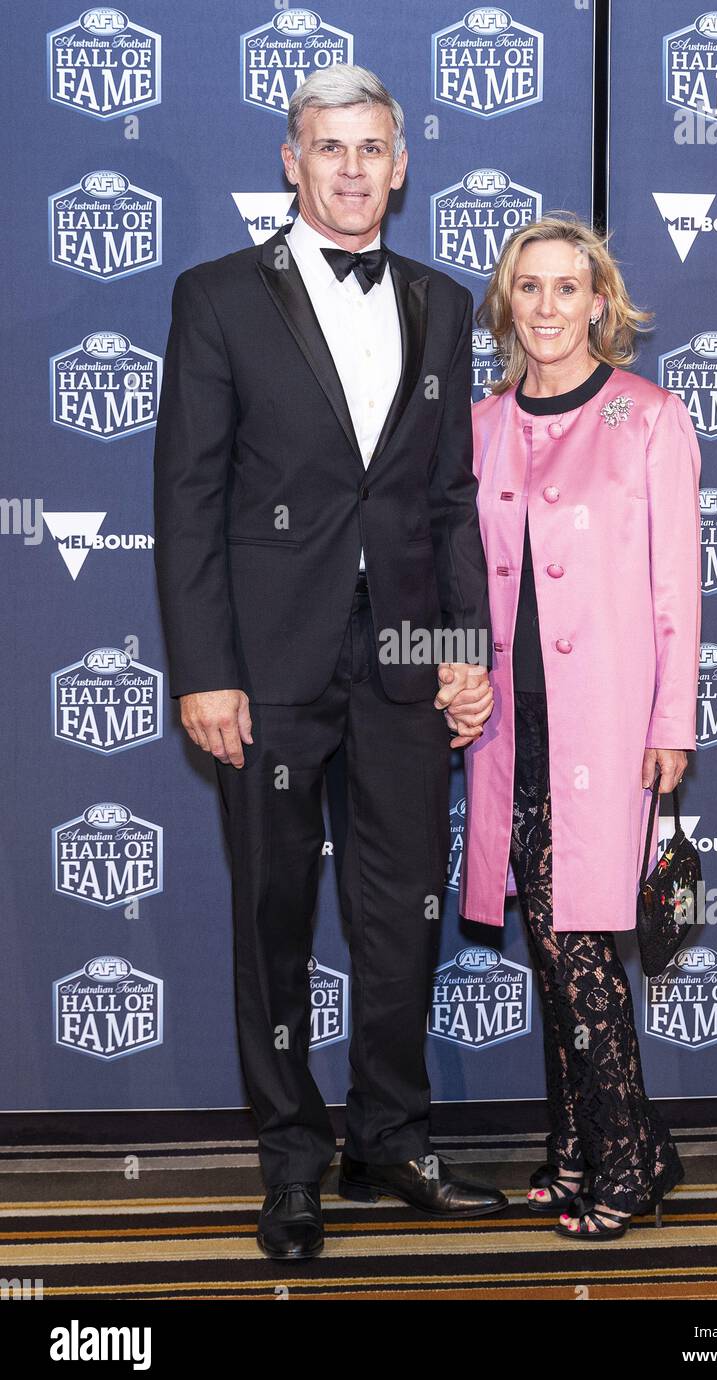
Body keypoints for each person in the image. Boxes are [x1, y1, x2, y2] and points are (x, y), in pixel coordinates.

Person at [152, 65, 503, 1262]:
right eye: (328, 148)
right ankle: (292, 1164)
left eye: (372, 148)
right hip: (268, 663)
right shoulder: (217, 298)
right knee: (274, 916)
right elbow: (190, 498)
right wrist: (205, 667)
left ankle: (392, 1141)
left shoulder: (445, 304)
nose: (352, 169)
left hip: (407, 661)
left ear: (402, 165)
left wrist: (464, 654)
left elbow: (451, 501)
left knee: (400, 916)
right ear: (293, 163)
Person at [450, 212, 702, 1240]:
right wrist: (448, 678)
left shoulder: (649, 418)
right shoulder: (480, 423)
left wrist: (672, 718)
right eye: (529, 287)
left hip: (607, 728)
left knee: (580, 943)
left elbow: (679, 587)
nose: (548, 307)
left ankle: (627, 1155)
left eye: (567, 287)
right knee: (554, 947)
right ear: (508, 305)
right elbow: (456, 578)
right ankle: (582, 1145)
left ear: (601, 299)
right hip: (511, 730)